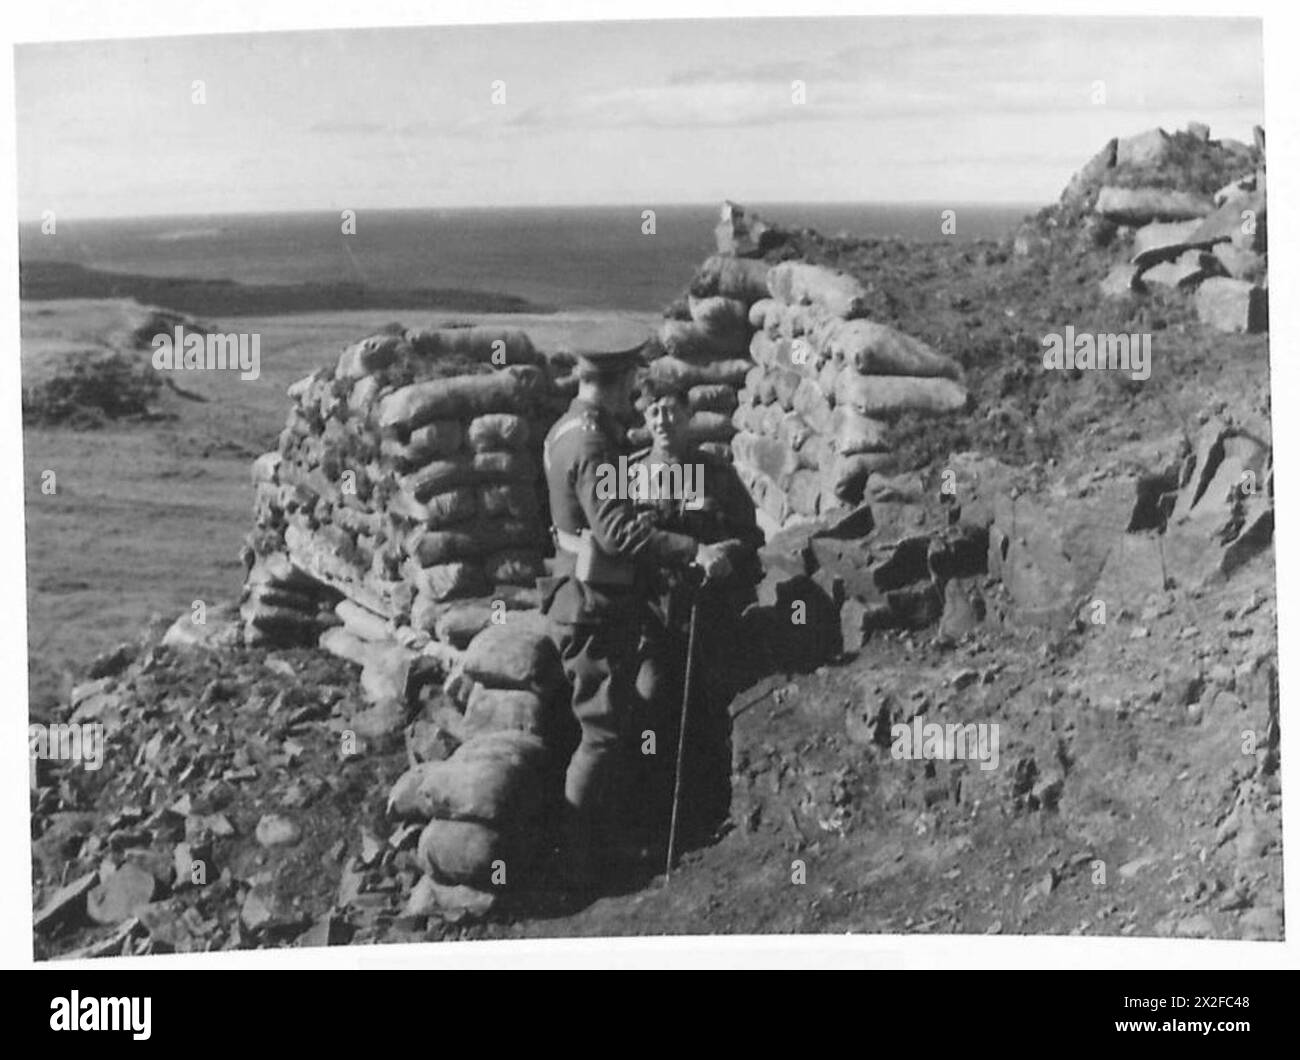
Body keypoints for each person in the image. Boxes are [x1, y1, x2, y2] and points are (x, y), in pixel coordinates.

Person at [539, 322, 732, 889]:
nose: (637, 399)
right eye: (632, 383)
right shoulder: (593, 441)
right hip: (592, 603)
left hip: (590, 595)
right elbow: (618, 532)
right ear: (617, 379)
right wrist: (692, 549)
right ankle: (579, 864)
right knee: (600, 731)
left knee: (617, 721)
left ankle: (605, 841)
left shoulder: (566, 429)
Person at [624, 386, 764, 855]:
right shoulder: (629, 475)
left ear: (687, 416)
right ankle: (653, 820)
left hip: (706, 616)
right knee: (650, 703)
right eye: (654, 411)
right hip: (649, 616)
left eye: (671, 410)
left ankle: (709, 814)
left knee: (708, 708)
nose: (663, 420)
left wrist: (727, 550)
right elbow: (616, 541)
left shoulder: (715, 472)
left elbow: (750, 535)